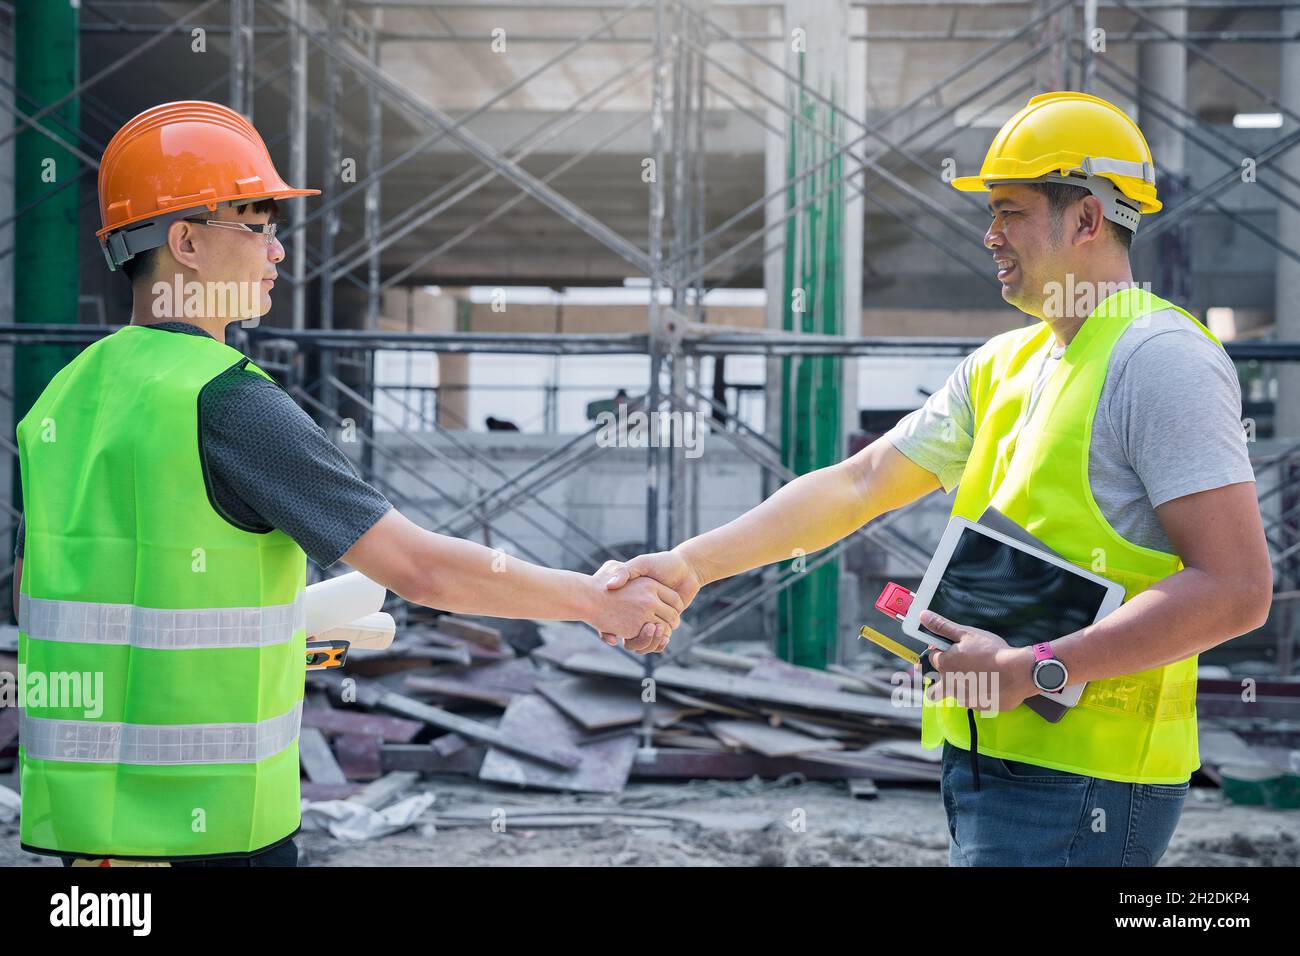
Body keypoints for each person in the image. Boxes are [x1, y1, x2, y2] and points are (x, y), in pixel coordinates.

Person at [601, 92, 1272, 866]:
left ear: (1087, 219)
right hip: (991, 754)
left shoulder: (1163, 360)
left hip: (1088, 780)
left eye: (1011, 212)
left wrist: (1031, 669)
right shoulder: (1006, 364)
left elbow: (1236, 589)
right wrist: (692, 565)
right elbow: (861, 482)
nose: (990, 235)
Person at [13, 101, 681, 868]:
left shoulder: (64, 398)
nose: (278, 252)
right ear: (186, 242)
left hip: (91, 833)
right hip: (208, 829)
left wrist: (257, 635)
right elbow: (419, 568)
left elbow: (74, 597)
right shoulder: (228, 400)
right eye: (256, 226)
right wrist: (597, 601)